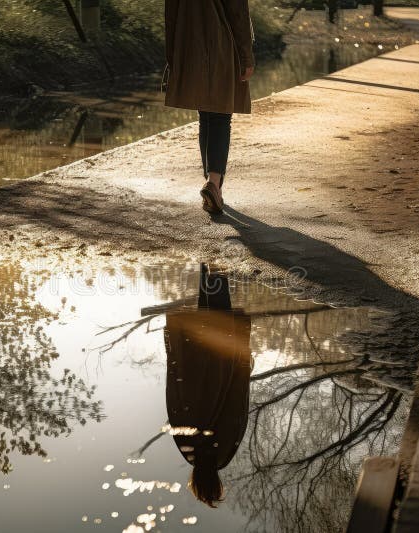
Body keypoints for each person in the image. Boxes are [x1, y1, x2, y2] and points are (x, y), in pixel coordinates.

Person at [164, 265, 252, 507]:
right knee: (208, 308)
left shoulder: (223, 453)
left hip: (223, 364)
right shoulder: (188, 449)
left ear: (216, 481)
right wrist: (176, 357)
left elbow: (238, 404)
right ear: (194, 479)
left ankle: (215, 260)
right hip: (197, 361)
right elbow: (175, 399)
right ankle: (210, 260)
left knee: (219, 306)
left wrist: (243, 363)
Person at [164, 0, 256, 213]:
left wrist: (173, 56)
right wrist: (246, 56)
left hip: (189, 44)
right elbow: (238, 11)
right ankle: (213, 183)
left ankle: (211, 186)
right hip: (221, 43)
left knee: (205, 114)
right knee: (220, 115)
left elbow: (171, 13)